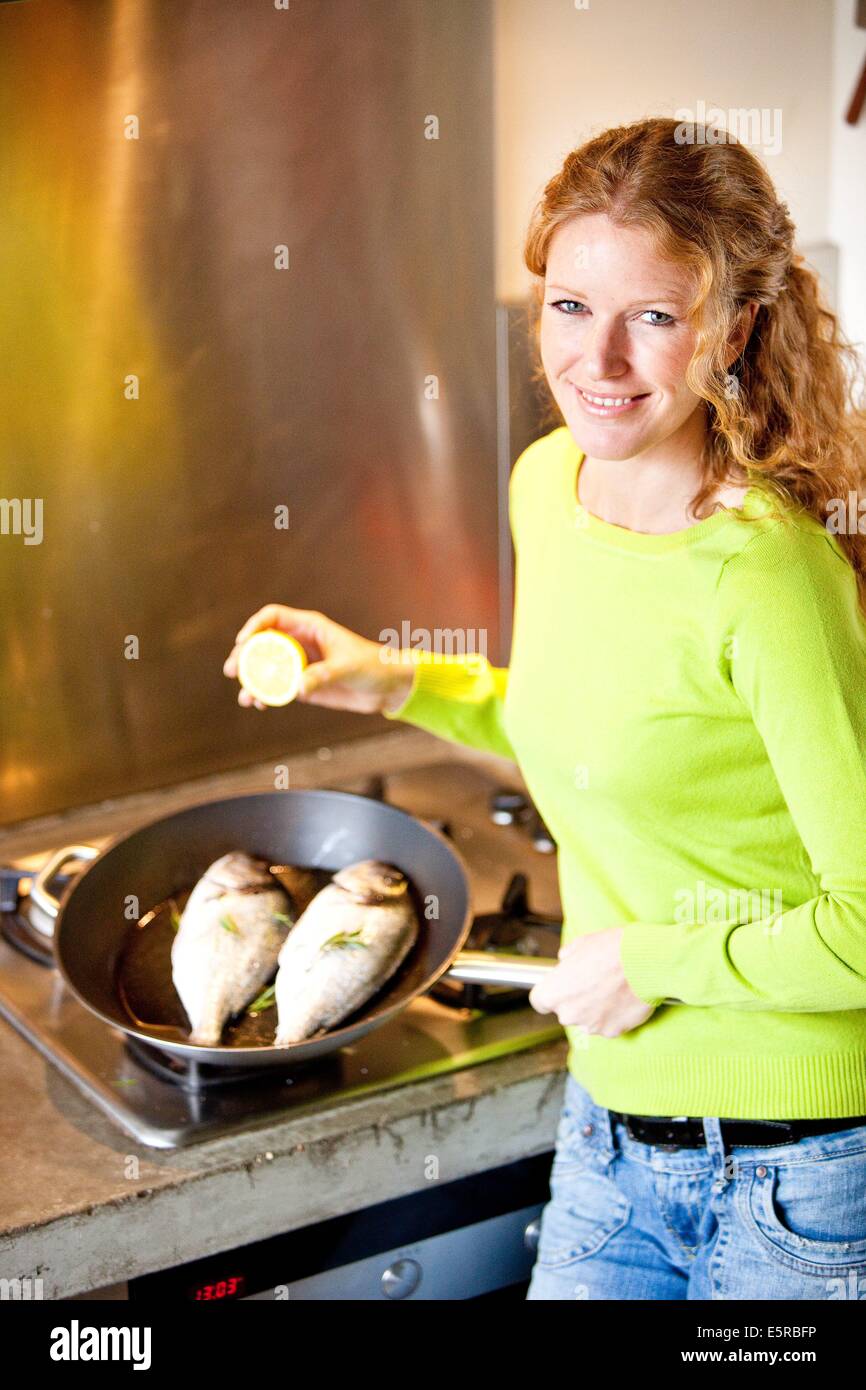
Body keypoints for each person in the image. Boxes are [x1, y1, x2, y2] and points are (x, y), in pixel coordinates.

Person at [224, 117, 866, 1300]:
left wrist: (655, 962)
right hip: (609, 1131)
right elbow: (607, 720)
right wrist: (398, 677)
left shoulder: (769, 578)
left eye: (654, 318)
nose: (599, 360)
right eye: (568, 307)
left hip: (797, 1171)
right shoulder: (546, 482)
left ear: (731, 329)